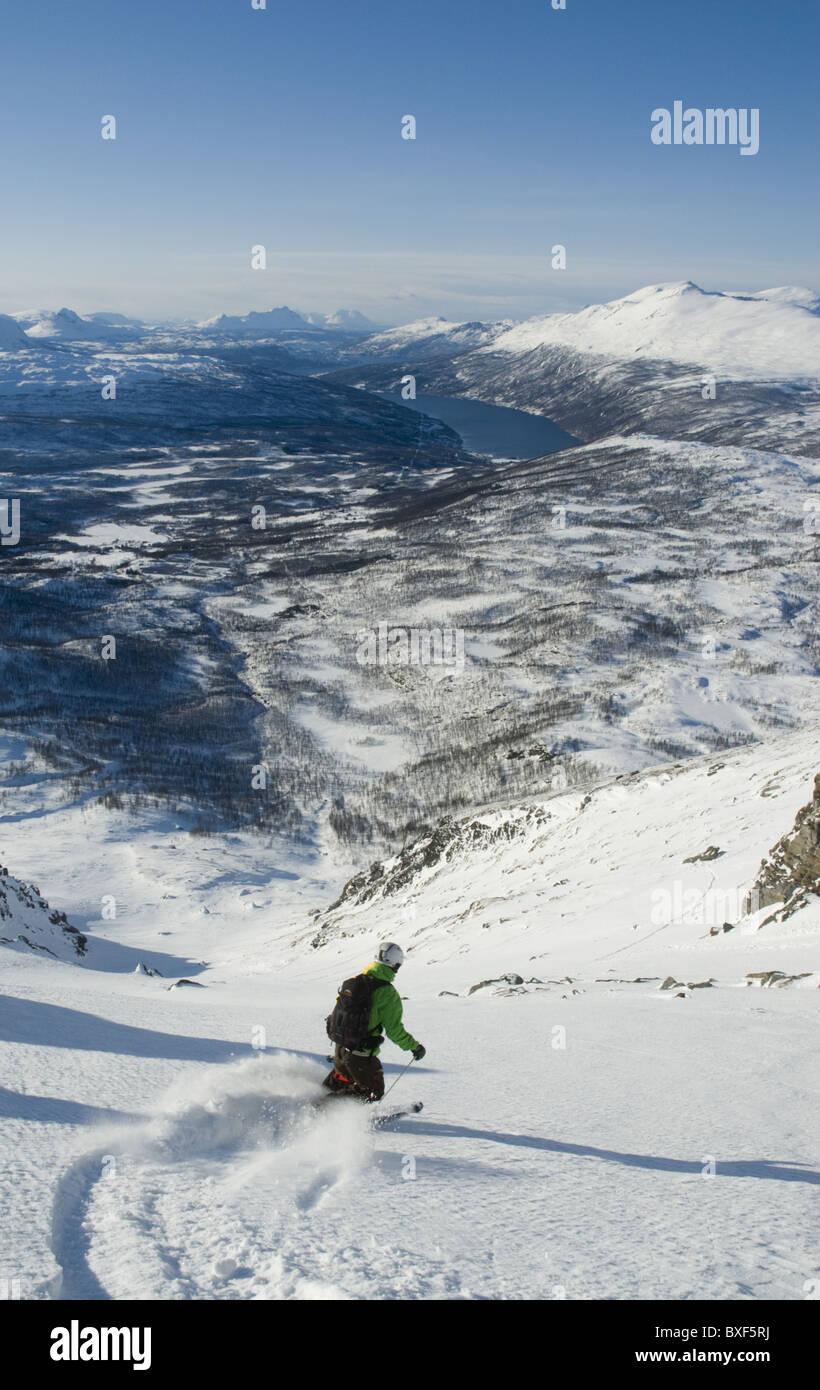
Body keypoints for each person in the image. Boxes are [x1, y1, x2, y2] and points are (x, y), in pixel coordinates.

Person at [323, 941, 426, 1102]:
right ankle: (320, 1109)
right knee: (372, 1092)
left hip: (340, 1048)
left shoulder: (354, 982)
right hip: (360, 1055)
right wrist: (415, 1047)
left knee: (340, 1082)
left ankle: (309, 1103)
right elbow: (394, 1030)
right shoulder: (387, 993)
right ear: (396, 964)